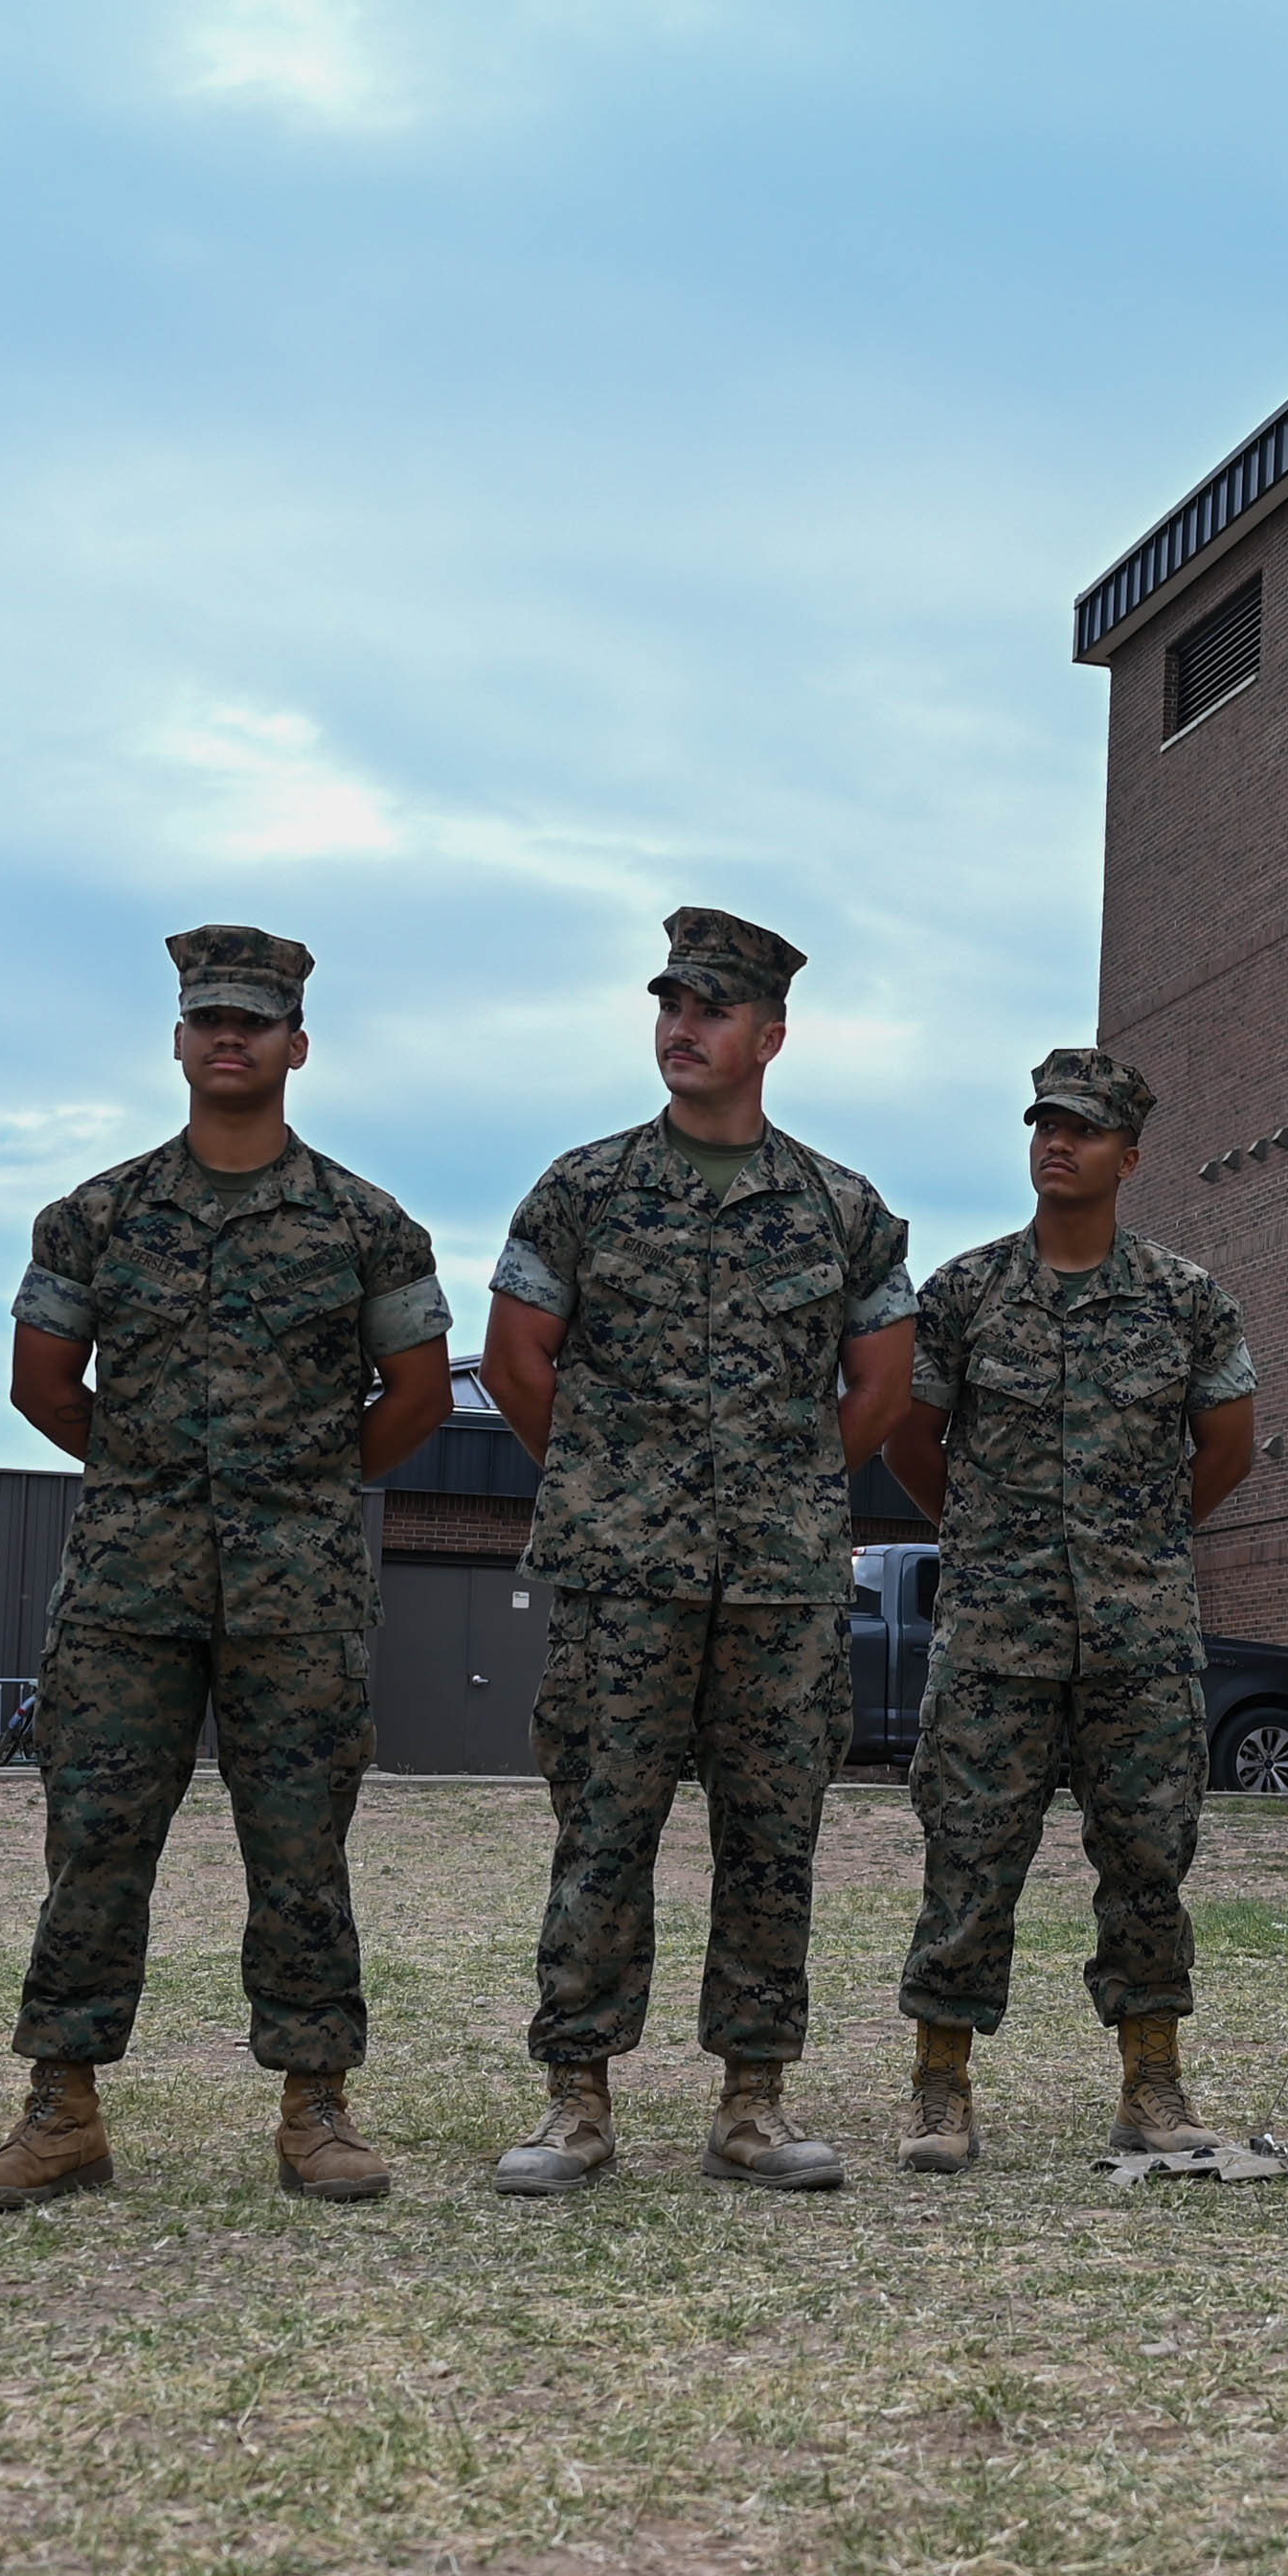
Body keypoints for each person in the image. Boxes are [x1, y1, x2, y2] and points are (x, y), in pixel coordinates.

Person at [0, 924, 452, 2209]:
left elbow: (418, 1396)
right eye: (209, 1018)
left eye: (255, 1020)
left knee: (300, 1854)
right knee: (96, 1846)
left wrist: (306, 1489)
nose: (231, 1037)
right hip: (128, 1592)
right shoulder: (94, 1217)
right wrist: (150, 1482)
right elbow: (42, 1384)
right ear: (178, 1040)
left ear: (297, 1045)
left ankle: (316, 2106)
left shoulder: (366, 1226)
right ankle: (61, 2109)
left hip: (299, 1595)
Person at [475, 905, 915, 2195]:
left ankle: (753, 2103)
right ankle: (577, 2099)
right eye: (671, 1003)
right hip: (622, 1580)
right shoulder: (585, 1188)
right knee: (603, 1829)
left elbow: (882, 1384)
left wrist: (787, 1484)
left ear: (770, 1036)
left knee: (773, 1837)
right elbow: (515, 1360)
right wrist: (619, 1483)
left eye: (712, 1009)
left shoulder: (839, 1207)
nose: (683, 1026)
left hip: (779, 1582)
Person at [885, 1049, 1260, 2168]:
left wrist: (1137, 1544)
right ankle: (940, 2088)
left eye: (1084, 1129)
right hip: (996, 1634)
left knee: (1148, 1861)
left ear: (1128, 1156)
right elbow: (913, 1436)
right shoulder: (964, 1292)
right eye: (1045, 1123)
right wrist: (986, 1536)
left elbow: (1227, 1450)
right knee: (968, 1854)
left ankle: (1153, 2086)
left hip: (1139, 1636)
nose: (1058, 1141)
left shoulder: (1186, 1300)